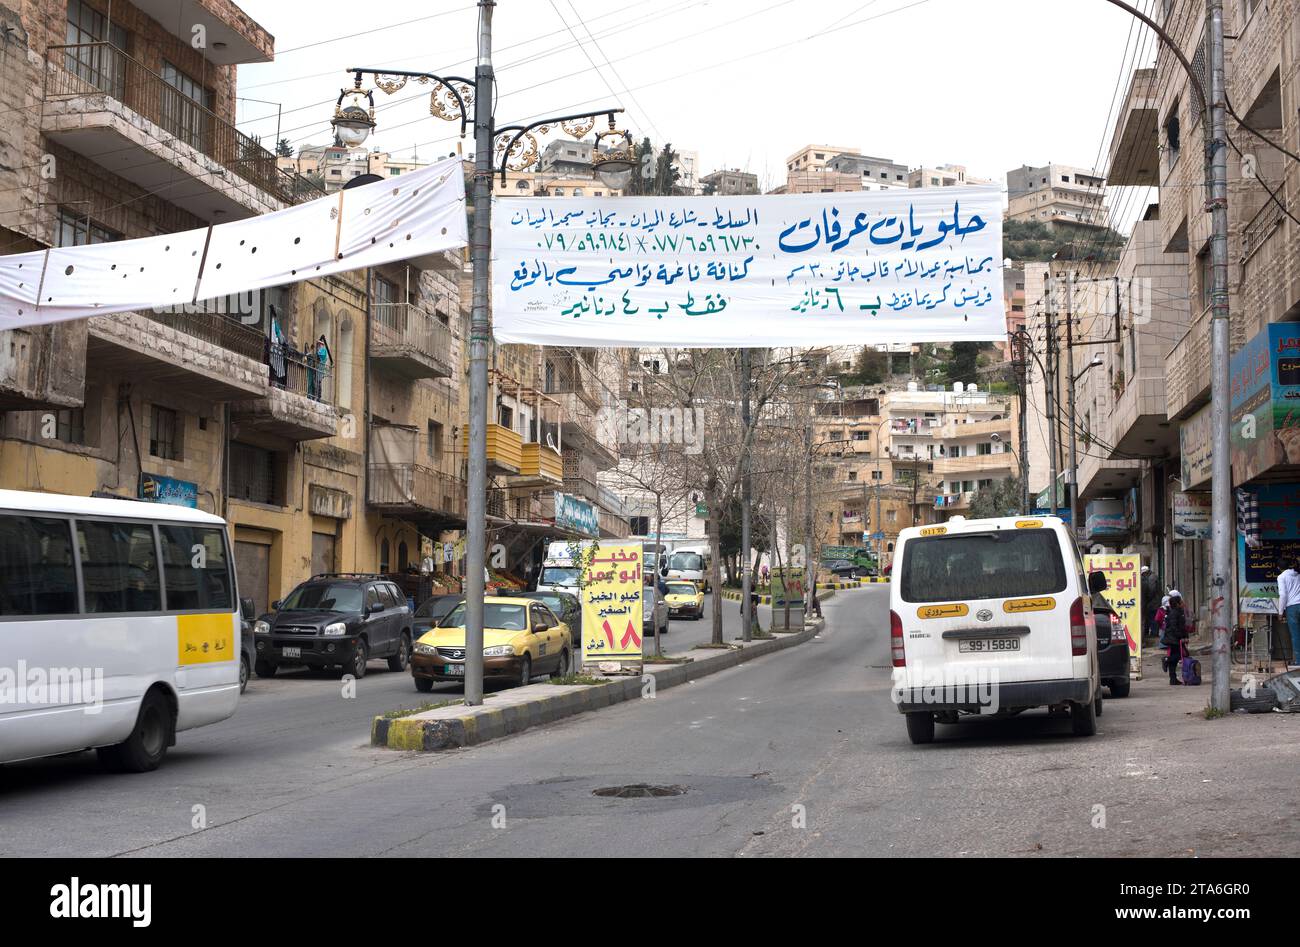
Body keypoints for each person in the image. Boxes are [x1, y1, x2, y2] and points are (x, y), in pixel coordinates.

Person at [1276, 556, 1300, 669]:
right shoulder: (1297, 574)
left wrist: (1280, 612)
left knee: (1296, 636)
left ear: (1279, 568)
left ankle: (1299, 661)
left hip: (1292, 608)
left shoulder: (1281, 577)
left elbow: (1283, 595)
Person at [1161, 590, 1189, 685]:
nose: (1182, 603)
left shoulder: (1179, 612)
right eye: (1181, 602)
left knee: (1175, 659)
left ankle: (1173, 679)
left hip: (1176, 638)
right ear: (1177, 604)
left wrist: (1185, 636)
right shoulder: (1174, 613)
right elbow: (1174, 627)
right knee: (1180, 655)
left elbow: (1182, 627)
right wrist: (1181, 636)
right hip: (1173, 639)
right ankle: (1166, 660)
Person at [1140, 565, 1161, 639]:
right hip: (1154, 602)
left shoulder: (1152, 578)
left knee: (1153, 618)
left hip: (1154, 602)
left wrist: (1147, 598)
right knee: (1152, 618)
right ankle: (1153, 633)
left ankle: (1154, 634)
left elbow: (1151, 590)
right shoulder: (1152, 577)